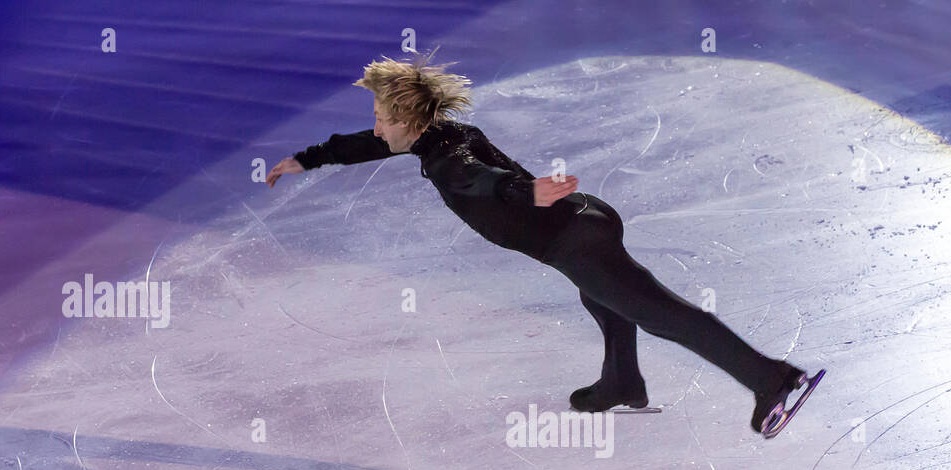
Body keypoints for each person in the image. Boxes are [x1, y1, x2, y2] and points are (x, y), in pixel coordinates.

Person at [268, 51, 822, 436]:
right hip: (582, 225)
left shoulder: (446, 159)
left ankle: (773, 379)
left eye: (382, 118)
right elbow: (370, 143)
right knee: (601, 299)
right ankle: (621, 381)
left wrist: (527, 189)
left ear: (408, 120)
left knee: (661, 315)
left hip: (574, 237)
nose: (377, 127)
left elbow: (485, 182)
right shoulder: (437, 135)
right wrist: (309, 158)